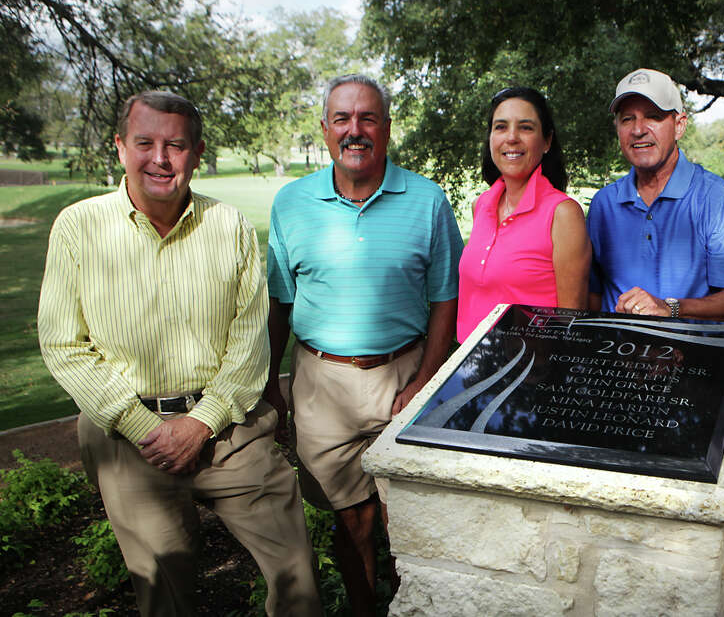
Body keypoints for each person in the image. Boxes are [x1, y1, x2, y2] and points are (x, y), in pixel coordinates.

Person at [37, 91, 321, 616]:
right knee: (164, 596)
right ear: (121, 147)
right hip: (129, 441)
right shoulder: (79, 227)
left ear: (197, 152)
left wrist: (201, 423)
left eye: (176, 145)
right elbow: (63, 344)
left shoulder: (227, 225)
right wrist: (143, 426)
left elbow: (250, 337)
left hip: (230, 431)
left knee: (297, 578)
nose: (160, 159)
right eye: (145, 143)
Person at [265, 74, 463, 616]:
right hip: (320, 382)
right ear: (326, 129)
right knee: (351, 519)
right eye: (343, 119)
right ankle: (363, 608)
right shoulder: (291, 203)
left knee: (412, 516)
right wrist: (270, 385)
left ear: (387, 128)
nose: (356, 130)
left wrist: (423, 382)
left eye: (368, 118)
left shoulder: (426, 201)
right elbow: (280, 303)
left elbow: (446, 298)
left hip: (402, 377)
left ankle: (417, 606)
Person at [587, 68, 724, 320]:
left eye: (653, 117)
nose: (638, 130)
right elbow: (592, 293)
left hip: (689, 354)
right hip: (618, 354)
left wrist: (671, 307)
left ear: (679, 126)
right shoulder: (604, 204)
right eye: (627, 119)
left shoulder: (716, 198)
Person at [457, 87, 590, 341]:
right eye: (501, 127)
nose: (512, 137)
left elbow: (569, 323)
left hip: (528, 373)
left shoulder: (562, 214)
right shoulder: (481, 206)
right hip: (470, 372)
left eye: (526, 127)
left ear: (547, 141)